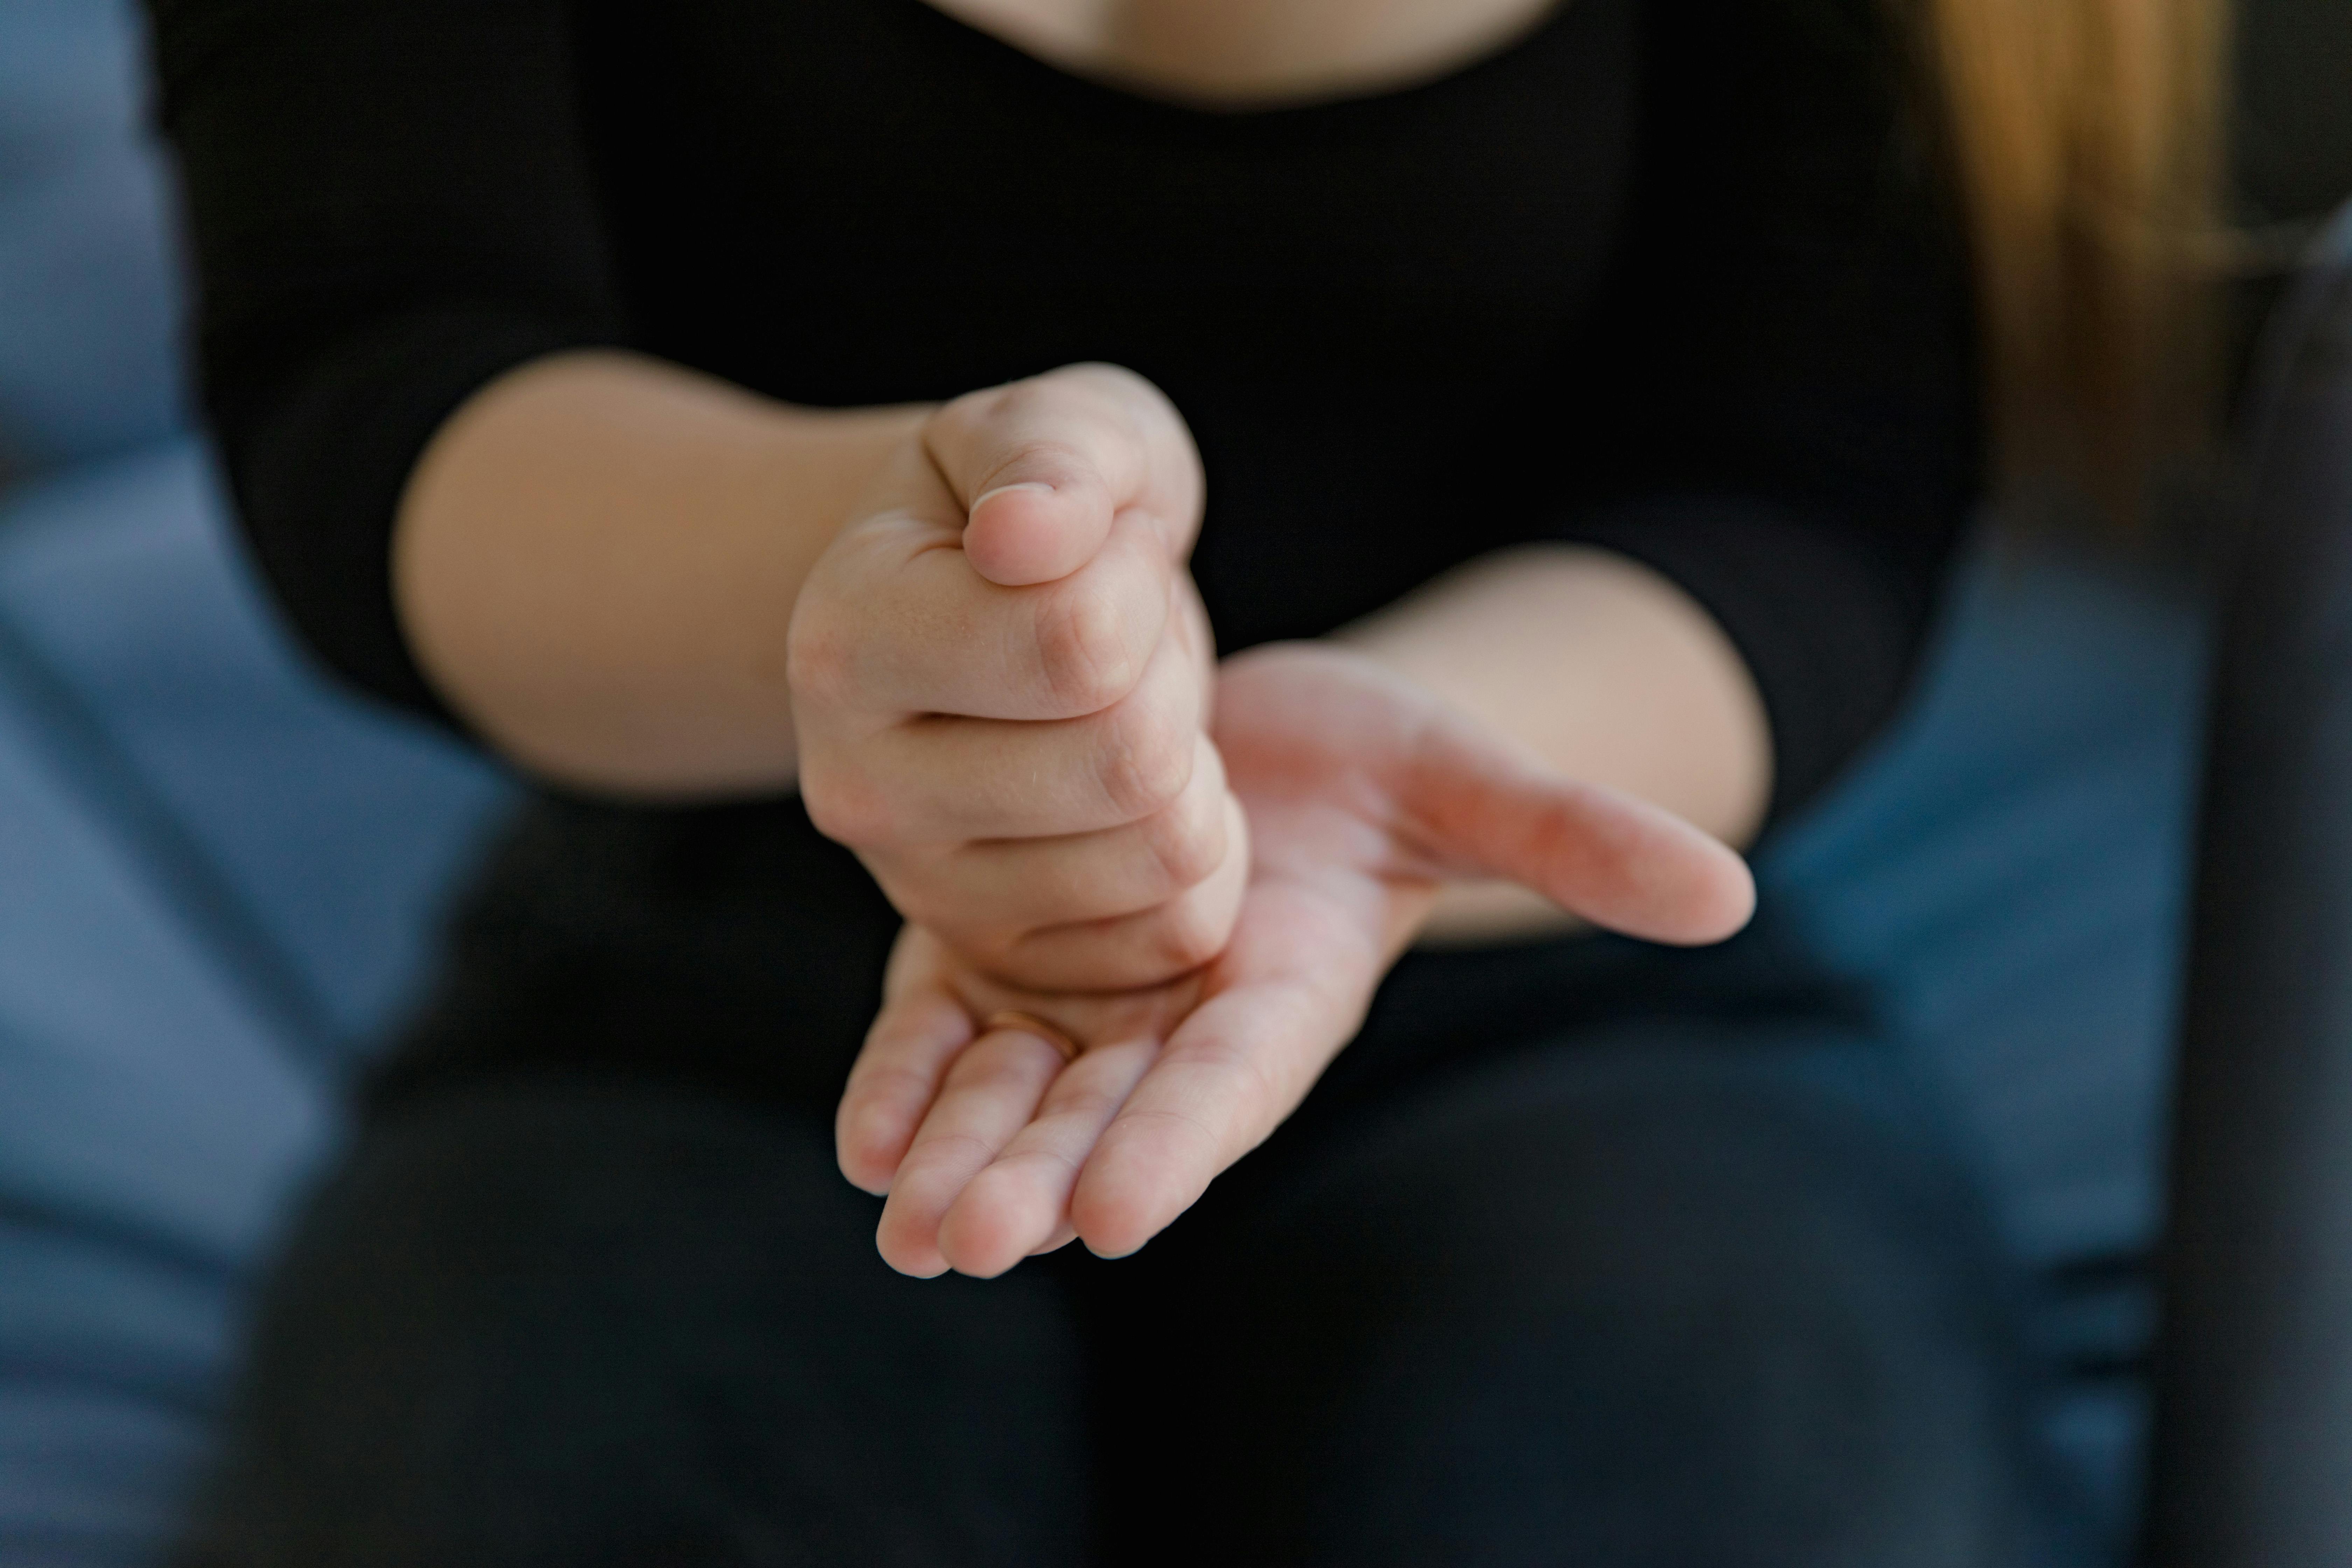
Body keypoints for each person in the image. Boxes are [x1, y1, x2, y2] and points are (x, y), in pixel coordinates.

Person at [149, 0, 2222, 1560]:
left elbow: (1802, 486)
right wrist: (906, 580)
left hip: (1534, 945)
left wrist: (1318, 793)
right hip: (682, 997)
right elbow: (376, 375)